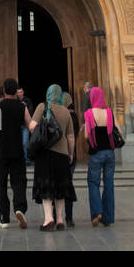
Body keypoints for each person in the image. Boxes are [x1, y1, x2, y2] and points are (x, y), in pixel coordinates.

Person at [29, 83, 75, 231]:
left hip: (45, 153)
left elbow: (31, 126)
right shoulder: (66, 111)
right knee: (60, 187)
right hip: (62, 154)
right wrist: (71, 153)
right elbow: (70, 136)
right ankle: (60, 220)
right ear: (60, 95)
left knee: (46, 186)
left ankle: (49, 219)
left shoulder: (43, 107)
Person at [0, 78, 29, 228]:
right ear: (16, 91)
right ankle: (19, 208)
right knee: (19, 182)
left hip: (1, 151)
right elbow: (29, 124)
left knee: (0, 184)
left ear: (4, 91)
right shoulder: (22, 107)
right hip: (17, 151)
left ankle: (4, 218)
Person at [84, 86, 116, 227]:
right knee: (108, 184)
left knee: (93, 183)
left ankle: (97, 212)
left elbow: (86, 134)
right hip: (110, 153)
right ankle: (107, 218)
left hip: (96, 153)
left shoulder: (89, 113)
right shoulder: (109, 112)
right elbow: (117, 130)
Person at [62, 92, 80, 227]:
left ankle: (56, 217)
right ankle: (69, 217)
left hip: (60, 154)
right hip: (70, 155)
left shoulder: (60, 115)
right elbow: (74, 135)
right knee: (68, 185)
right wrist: (71, 153)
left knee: (57, 185)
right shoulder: (73, 116)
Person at [17, 85, 34, 163]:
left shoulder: (28, 100)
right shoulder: (15, 101)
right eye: (18, 92)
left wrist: (25, 106)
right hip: (17, 125)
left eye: (21, 92)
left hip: (25, 125)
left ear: (23, 92)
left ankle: (26, 159)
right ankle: (20, 159)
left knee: (25, 142)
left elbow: (31, 113)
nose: (20, 94)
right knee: (18, 143)